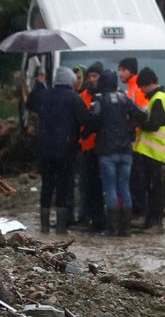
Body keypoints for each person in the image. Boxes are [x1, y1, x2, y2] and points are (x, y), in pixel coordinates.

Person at [27, 66, 88, 233]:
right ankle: (61, 228)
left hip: (45, 149)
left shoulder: (44, 95)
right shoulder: (74, 98)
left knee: (47, 185)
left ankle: (44, 227)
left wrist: (39, 85)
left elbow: (30, 103)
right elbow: (86, 121)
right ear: (70, 81)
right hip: (67, 151)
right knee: (64, 186)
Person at [91, 67, 145, 237]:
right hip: (125, 150)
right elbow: (142, 114)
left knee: (110, 188)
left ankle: (112, 228)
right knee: (124, 188)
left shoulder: (100, 100)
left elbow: (93, 121)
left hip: (107, 150)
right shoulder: (124, 98)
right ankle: (126, 228)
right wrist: (129, 128)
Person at [131, 67, 165, 231]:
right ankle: (153, 221)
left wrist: (139, 123)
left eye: (141, 87)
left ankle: (154, 222)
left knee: (153, 188)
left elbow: (155, 124)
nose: (141, 90)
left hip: (152, 152)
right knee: (154, 187)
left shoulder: (158, 99)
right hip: (157, 151)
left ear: (148, 84)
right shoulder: (163, 98)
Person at [77, 63, 107, 232]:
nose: (91, 79)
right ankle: (87, 217)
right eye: (90, 76)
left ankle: (101, 219)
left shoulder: (107, 95)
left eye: (95, 76)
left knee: (104, 186)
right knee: (87, 185)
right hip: (87, 147)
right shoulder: (83, 97)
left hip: (103, 147)